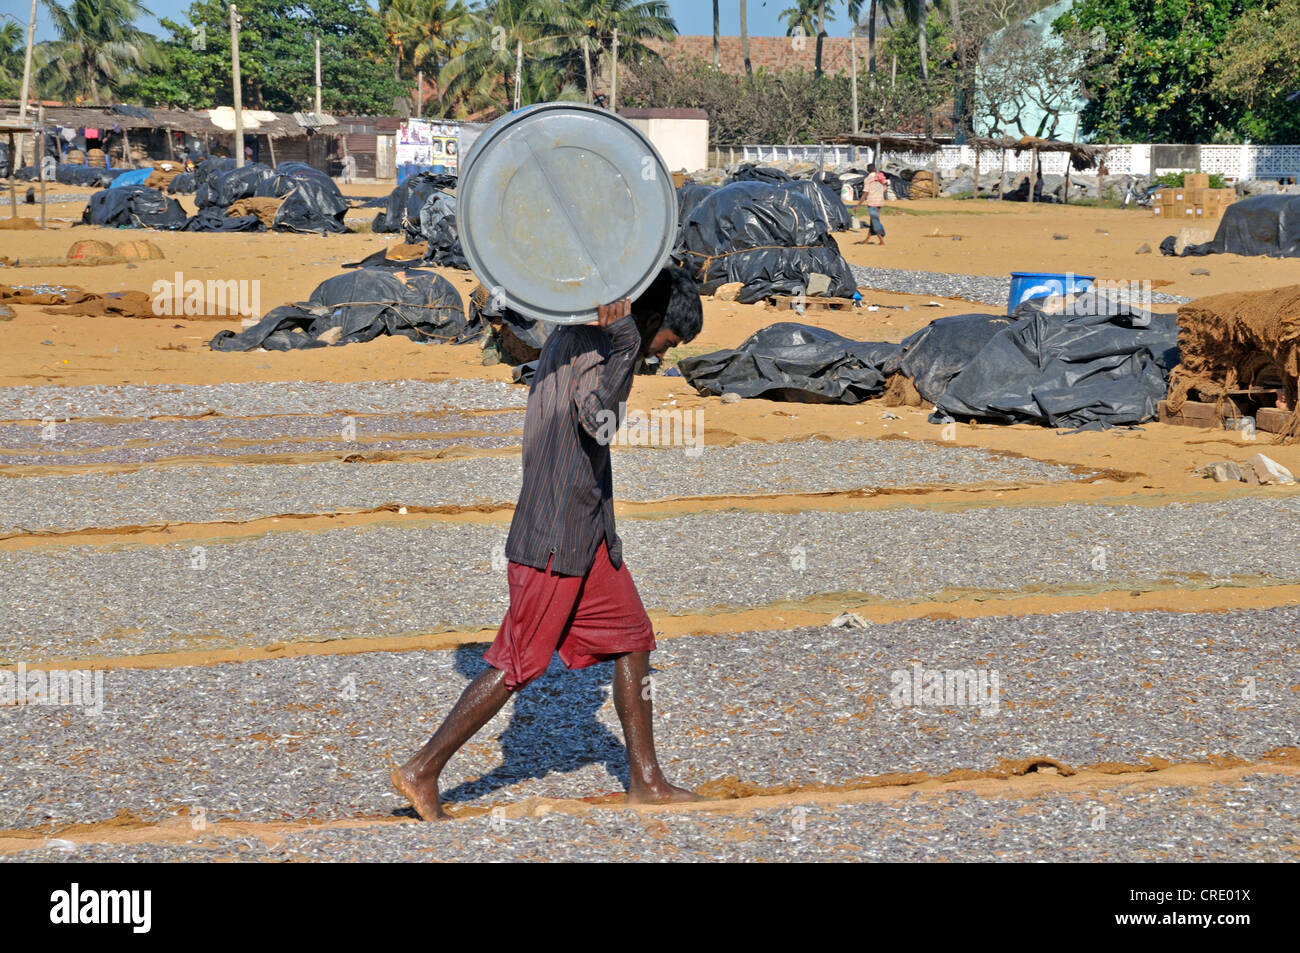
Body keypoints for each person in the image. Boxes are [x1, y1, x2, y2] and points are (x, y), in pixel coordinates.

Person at [391, 268, 705, 821]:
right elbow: (597, 424)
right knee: (518, 660)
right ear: (651, 320)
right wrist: (628, 343)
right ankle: (423, 768)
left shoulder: (581, 335)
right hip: (556, 534)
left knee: (633, 639)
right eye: (667, 343)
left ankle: (647, 780)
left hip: (589, 533)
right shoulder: (594, 341)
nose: (662, 356)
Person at [854, 164, 888, 246]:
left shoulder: (867, 179)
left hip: (872, 202)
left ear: (868, 171)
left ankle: (881, 239)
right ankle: (867, 239)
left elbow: (865, 193)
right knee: (873, 220)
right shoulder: (881, 177)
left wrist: (858, 205)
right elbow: (885, 189)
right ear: (875, 169)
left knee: (875, 221)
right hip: (880, 202)